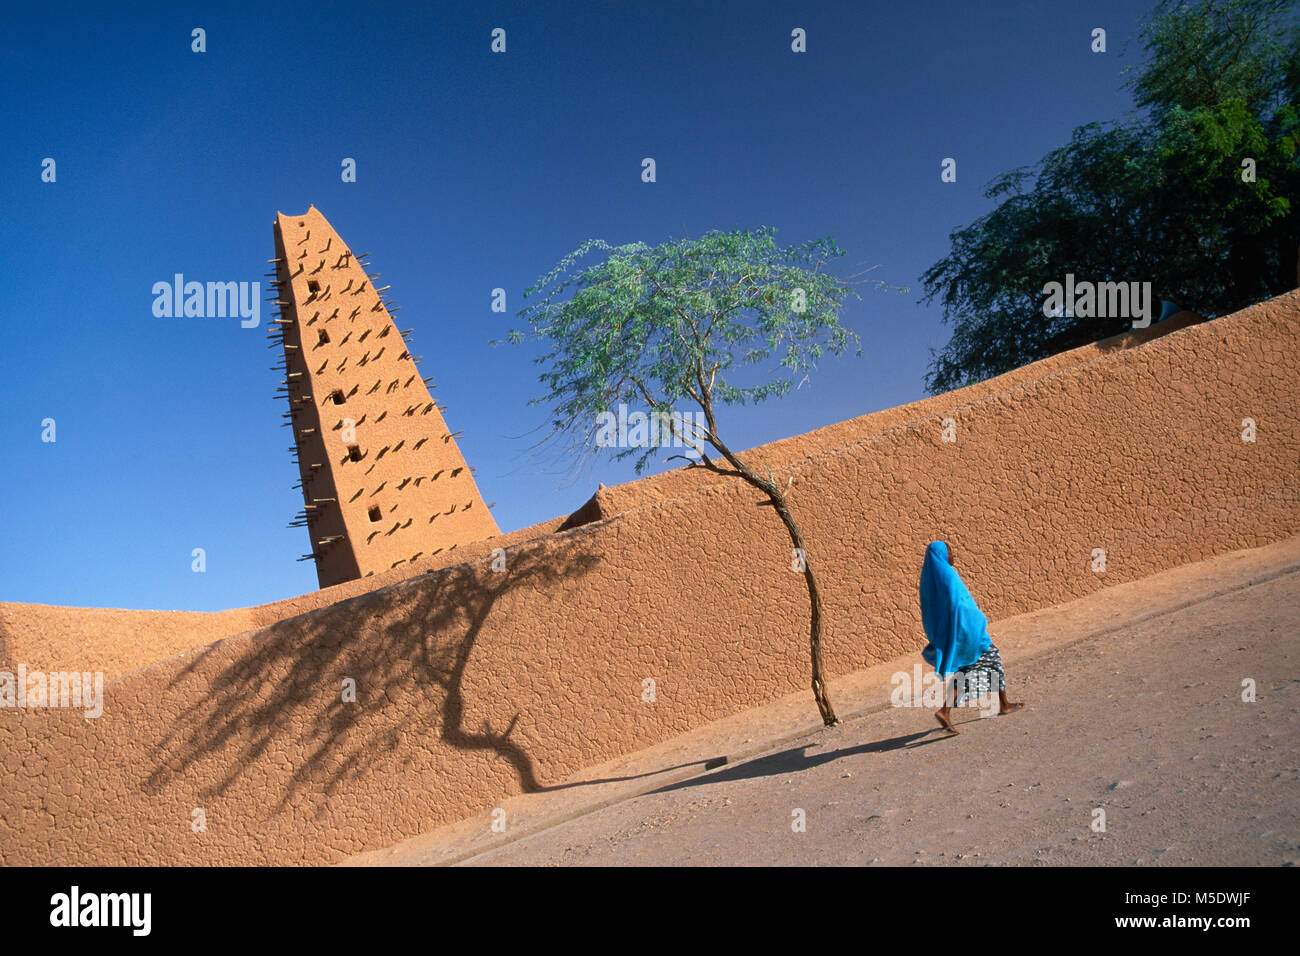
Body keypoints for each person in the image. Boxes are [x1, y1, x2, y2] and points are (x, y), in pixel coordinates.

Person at [918, 540, 1023, 734]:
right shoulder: (948, 576)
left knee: (979, 665)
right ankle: (947, 710)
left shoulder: (930, 579)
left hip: (955, 633)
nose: (953, 554)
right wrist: (977, 620)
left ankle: (1002, 704)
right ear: (942, 554)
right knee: (990, 659)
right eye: (949, 551)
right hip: (968, 630)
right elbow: (960, 604)